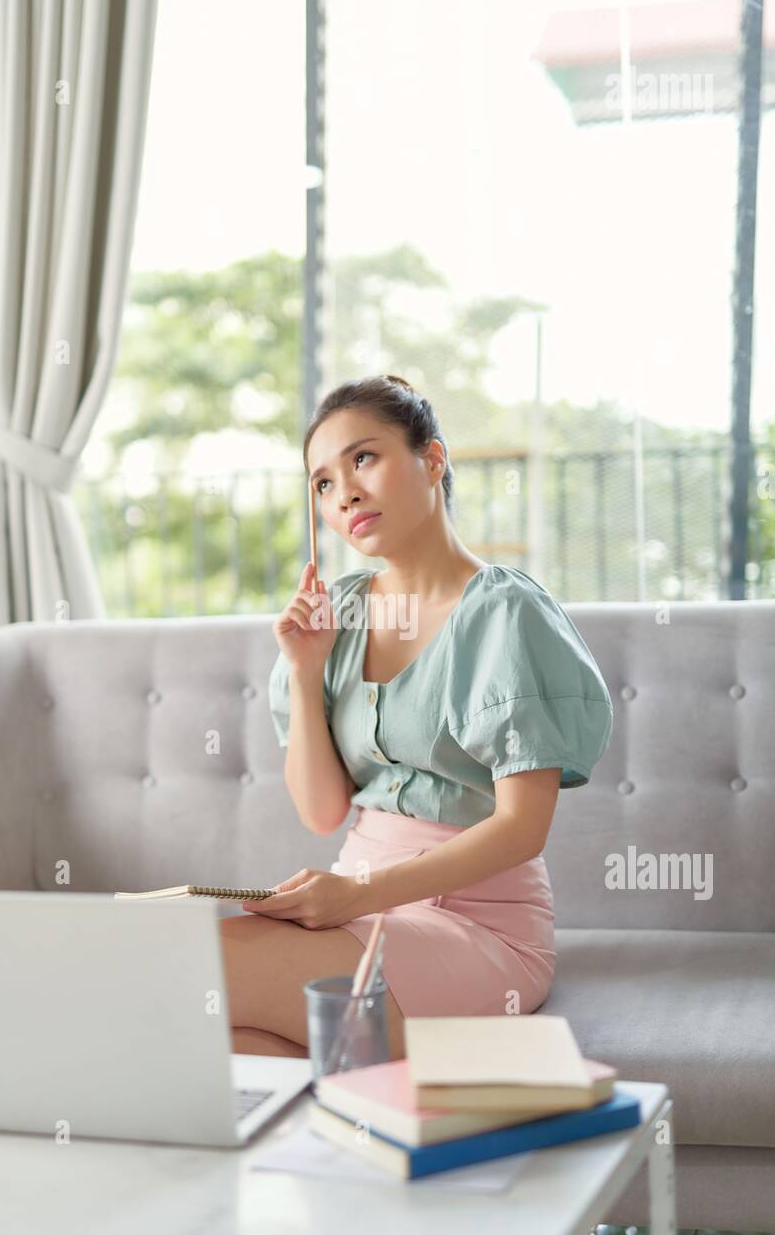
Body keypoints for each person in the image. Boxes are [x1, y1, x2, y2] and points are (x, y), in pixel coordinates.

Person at [219, 374, 613, 1059]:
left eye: (363, 459)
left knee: (214, 962)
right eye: (322, 483)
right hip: (363, 906)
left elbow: (522, 829)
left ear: (433, 460)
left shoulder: (503, 612)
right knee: (230, 1047)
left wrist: (357, 895)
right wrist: (307, 671)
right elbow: (321, 814)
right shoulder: (336, 613)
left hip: (481, 929)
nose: (342, 493)